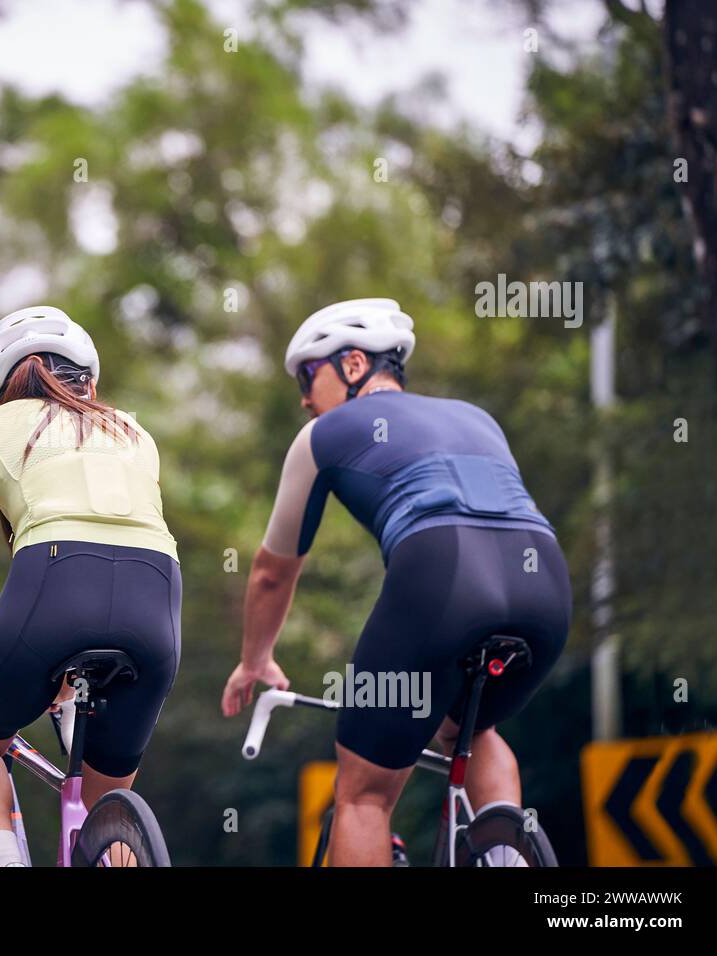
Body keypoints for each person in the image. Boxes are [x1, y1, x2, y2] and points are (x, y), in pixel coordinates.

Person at [220, 298, 571, 866]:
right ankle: (504, 855)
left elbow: (269, 573)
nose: (306, 398)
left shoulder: (325, 433)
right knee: (473, 731)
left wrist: (255, 659)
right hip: (547, 583)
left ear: (354, 365)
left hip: (444, 573)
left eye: (310, 376)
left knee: (363, 794)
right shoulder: (477, 417)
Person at [0, 305, 181, 867]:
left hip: (53, 583)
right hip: (158, 597)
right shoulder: (134, 431)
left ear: (5, 390)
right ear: (90, 380)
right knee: (106, 815)